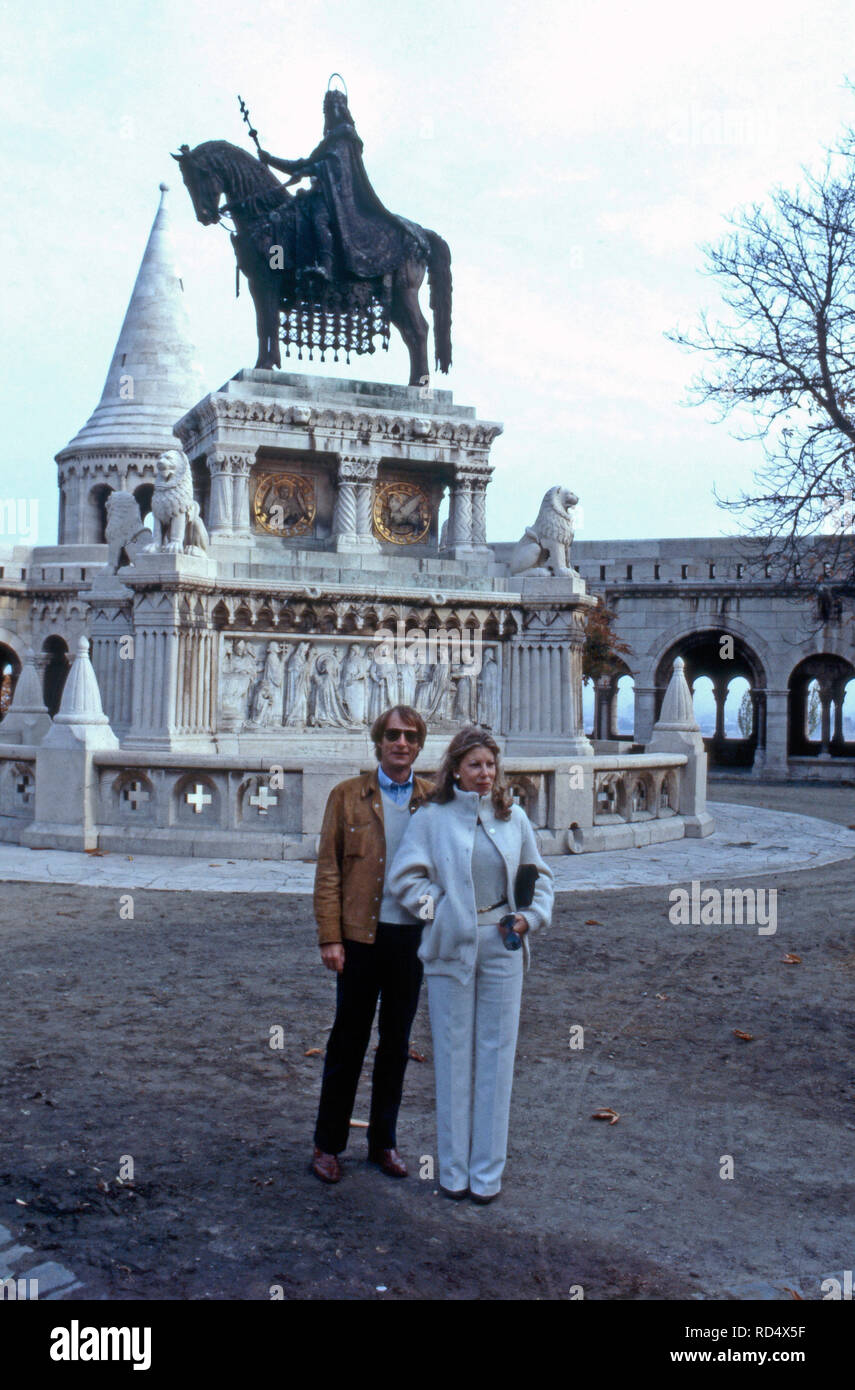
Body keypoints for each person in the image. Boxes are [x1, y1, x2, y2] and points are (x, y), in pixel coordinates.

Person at [388, 726, 554, 1203]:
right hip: (450, 946)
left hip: (501, 940)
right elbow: (404, 882)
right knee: (453, 1057)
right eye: (475, 765)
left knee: (497, 1057)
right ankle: (453, 1172)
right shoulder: (432, 818)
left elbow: (538, 877)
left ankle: (487, 1176)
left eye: (490, 765)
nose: (485, 774)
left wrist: (529, 917)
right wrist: (437, 910)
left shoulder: (513, 818)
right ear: (456, 769)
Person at [311, 705, 433, 1183]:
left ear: (419, 745)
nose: (401, 743)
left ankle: (383, 1141)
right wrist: (330, 936)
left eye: (410, 736)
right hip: (360, 939)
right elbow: (328, 870)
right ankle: (327, 1145)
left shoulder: (434, 799)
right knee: (348, 1041)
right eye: (392, 735)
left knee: (396, 1044)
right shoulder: (346, 797)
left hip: (409, 941)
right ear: (378, 742)